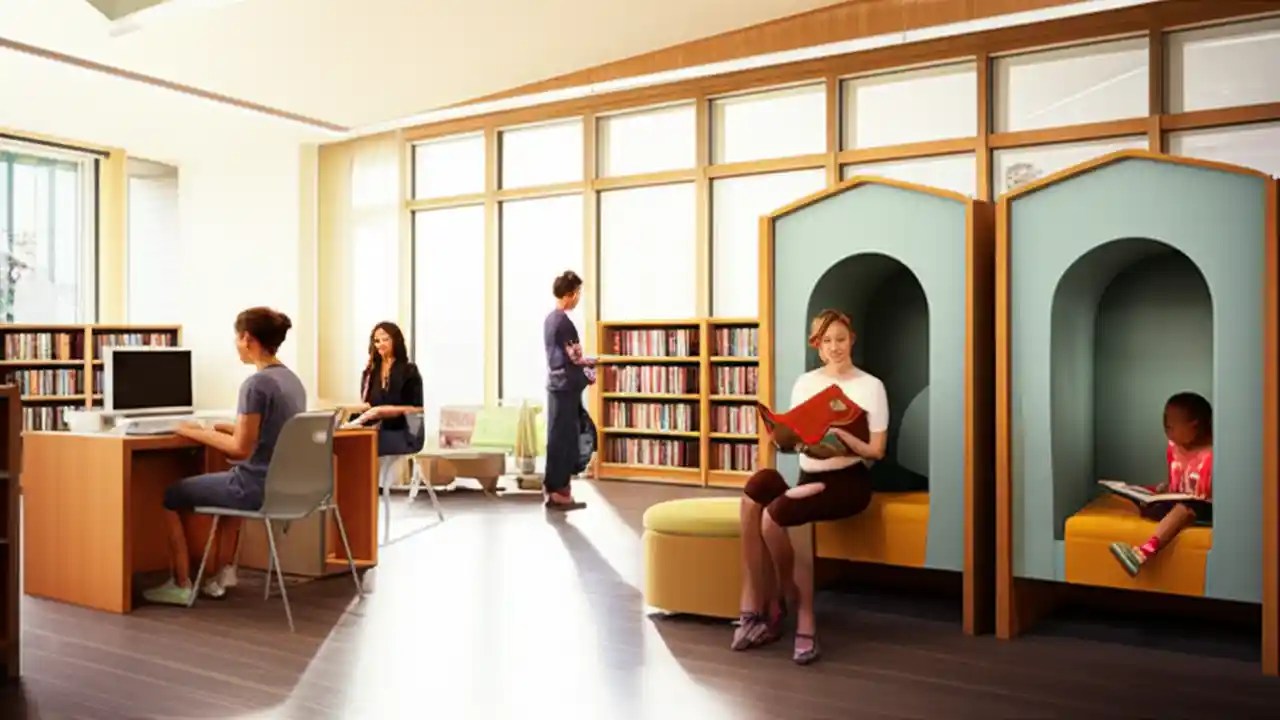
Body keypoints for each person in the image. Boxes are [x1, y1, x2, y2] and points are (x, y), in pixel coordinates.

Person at [734, 309, 889, 665]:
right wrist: (792, 442)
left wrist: (845, 439)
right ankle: (754, 602)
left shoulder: (870, 385)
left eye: (841, 339)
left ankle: (796, 610)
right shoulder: (805, 383)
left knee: (779, 514)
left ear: (852, 340)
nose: (835, 347)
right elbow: (797, 435)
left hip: (847, 481)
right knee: (756, 488)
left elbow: (877, 451)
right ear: (817, 347)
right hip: (809, 473)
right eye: (827, 341)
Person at [143, 307, 306, 605]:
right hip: (285, 486)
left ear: (246, 338)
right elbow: (269, 434)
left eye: (236, 337)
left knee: (172, 494)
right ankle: (225, 572)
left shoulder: (256, 384)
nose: (235, 343)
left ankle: (180, 584)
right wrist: (225, 427)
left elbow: (240, 449)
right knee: (227, 493)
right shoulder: (291, 381)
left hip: (255, 486)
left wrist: (191, 431)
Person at [1110, 392, 1213, 577]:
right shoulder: (1174, 447)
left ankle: (1142, 553)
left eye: (1172, 427)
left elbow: (1204, 494)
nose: (1167, 429)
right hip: (1180, 503)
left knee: (1185, 508)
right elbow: (1177, 486)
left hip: (1202, 507)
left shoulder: (1211, 453)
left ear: (1194, 426)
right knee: (1151, 504)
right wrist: (1164, 489)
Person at [349, 322, 425, 489]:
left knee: (361, 443)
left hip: (404, 431)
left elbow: (417, 409)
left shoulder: (409, 370)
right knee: (346, 437)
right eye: (377, 341)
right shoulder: (370, 373)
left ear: (395, 341)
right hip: (378, 428)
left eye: (385, 339)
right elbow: (368, 405)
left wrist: (382, 411)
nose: (380, 344)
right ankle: (355, 493)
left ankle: (363, 491)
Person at [544, 270, 595, 511]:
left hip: (555, 385)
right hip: (566, 387)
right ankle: (560, 494)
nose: (578, 298)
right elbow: (575, 358)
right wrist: (593, 369)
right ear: (569, 294)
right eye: (577, 294)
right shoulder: (565, 324)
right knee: (566, 439)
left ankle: (553, 490)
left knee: (556, 438)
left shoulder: (550, 320)